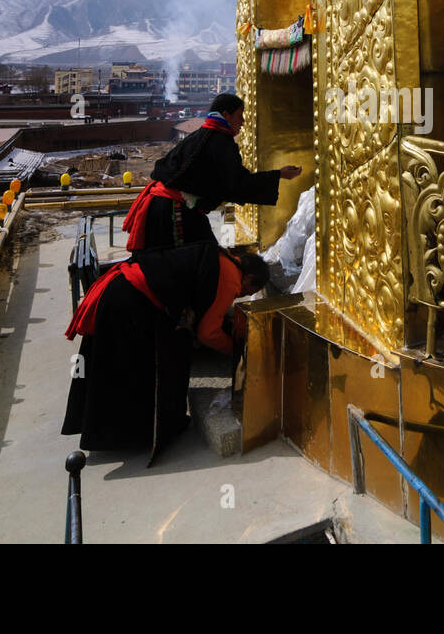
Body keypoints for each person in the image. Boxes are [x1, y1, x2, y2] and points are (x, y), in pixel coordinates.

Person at [61, 243, 270, 463]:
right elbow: (208, 333)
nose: (242, 295)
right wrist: (236, 351)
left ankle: (114, 432)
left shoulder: (223, 259)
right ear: (248, 279)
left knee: (114, 368)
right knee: (143, 366)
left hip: (121, 290)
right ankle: (135, 434)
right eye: (248, 291)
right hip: (128, 303)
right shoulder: (231, 279)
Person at [122, 93, 301, 252]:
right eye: (240, 116)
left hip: (164, 205)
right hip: (174, 211)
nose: (243, 122)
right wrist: (279, 175)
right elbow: (237, 184)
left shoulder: (202, 134)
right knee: (200, 261)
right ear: (226, 115)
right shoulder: (221, 142)